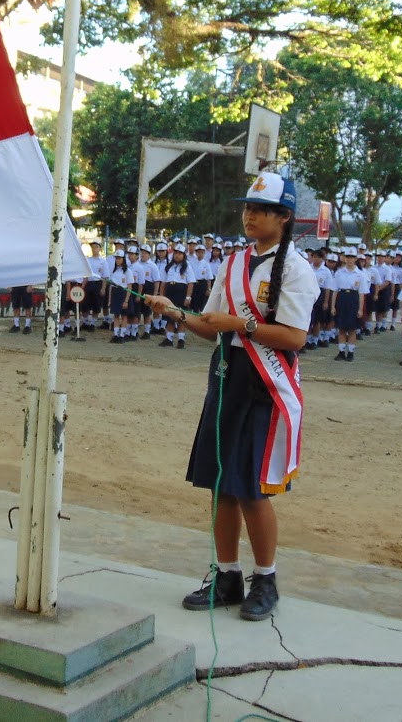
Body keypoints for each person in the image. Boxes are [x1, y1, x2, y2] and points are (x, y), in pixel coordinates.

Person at [144, 171, 318, 623]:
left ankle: (266, 580)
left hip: (264, 384)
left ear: (284, 218)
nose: (249, 215)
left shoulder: (297, 270)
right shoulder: (233, 263)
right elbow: (210, 323)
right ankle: (226, 577)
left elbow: (295, 337)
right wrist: (177, 313)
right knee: (221, 485)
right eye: (247, 207)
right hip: (226, 376)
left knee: (252, 489)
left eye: (260, 210)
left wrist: (241, 326)